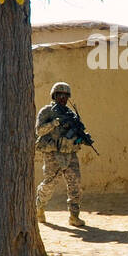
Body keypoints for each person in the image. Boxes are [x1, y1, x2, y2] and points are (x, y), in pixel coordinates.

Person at [35, 82, 88, 227]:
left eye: (65, 96)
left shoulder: (71, 114)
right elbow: (39, 131)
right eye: (60, 95)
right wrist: (54, 123)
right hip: (53, 154)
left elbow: (76, 133)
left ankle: (74, 216)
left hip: (70, 153)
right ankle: (39, 208)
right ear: (54, 95)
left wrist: (81, 138)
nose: (63, 98)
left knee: (75, 184)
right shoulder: (47, 112)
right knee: (50, 183)